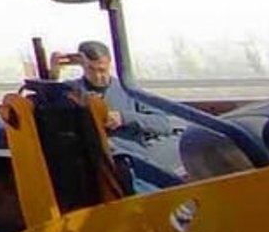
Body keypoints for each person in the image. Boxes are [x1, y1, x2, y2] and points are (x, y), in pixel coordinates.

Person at [54, 40, 182, 174]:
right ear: (82, 65)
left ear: (109, 63)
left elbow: (163, 124)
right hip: (90, 163)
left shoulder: (129, 90)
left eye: (102, 70)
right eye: (91, 69)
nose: (98, 76)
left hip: (130, 162)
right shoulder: (72, 91)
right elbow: (48, 108)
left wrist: (123, 118)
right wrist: (53, 74)